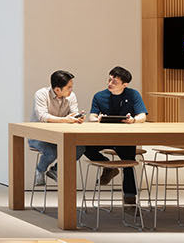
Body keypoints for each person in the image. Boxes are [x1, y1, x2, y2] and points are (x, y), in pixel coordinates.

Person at [83, 65, 148, 203]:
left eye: (114, 82)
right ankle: (108, 166)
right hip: (103, 137)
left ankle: (130, 196)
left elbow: (142, 115)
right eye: (109, 80)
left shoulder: (133, 94)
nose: (110, 84)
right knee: (85, 147)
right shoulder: (99, 96)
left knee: (129, 163)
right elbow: (91, 117)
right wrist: (98, 119)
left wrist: (133, 120)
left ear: (125, 84)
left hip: (124, 138)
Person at [27, 70, 84, 185]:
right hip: (38, 135)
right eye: (69, 87)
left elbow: (73, 113)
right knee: (52, 152)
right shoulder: (41, 94)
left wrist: (77, 118)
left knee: (80, 148)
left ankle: (56, 170)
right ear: (57, 89)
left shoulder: (71, 96)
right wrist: (66, 120)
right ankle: (40, 170)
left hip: (60, 135)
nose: (71, 90)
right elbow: (43, 116)